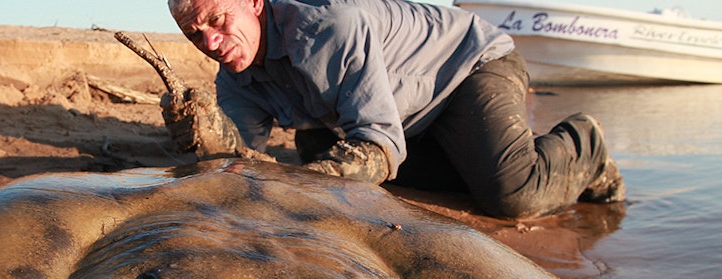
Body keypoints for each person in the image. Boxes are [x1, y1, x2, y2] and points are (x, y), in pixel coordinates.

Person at [165, 0, 624, 219]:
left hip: (467, 68)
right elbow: (237, 164)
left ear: (254, 3)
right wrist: (205, 132)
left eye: (218, 21)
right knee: (315, 150)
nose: (211, 44)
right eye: (194, 35)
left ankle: (585, 143)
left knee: (512, 197)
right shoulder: (234, 75)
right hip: (400, 109)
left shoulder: (326, 27)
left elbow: (379, 147)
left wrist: (308, 181)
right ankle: (471, 156)